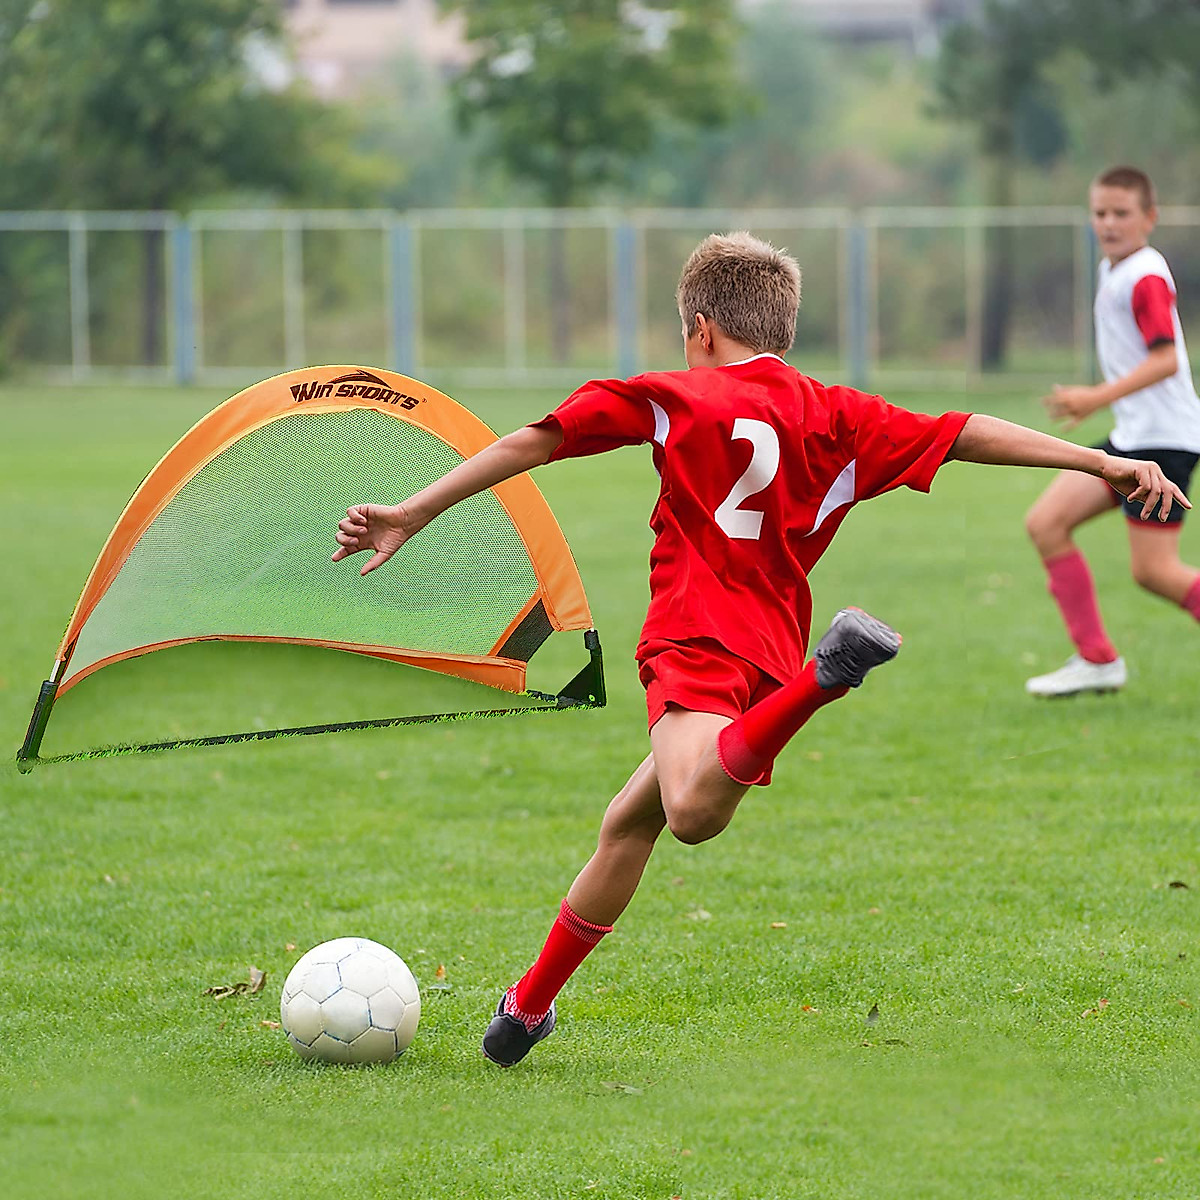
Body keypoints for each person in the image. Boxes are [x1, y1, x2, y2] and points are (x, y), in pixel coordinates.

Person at [331, 232, 1187, 1067]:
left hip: (697, 634)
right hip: (761, 652)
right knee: (629, 824)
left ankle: (828, 677)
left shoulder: (675, 394)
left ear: (700, 328)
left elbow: (537, 440)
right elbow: (965, 431)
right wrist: (1101, 464)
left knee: (693, 812)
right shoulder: (838, 412)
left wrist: (415, 509)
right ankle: (528, 1005)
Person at [1024, 166, 1200, 697]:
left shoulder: (1145, 274)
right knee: (1047, 522)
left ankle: (1098, 661)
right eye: (1100, 213)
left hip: (1162, 442)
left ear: (1150, 217)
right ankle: (1096, 659)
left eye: (1121, 213)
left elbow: (1166, 360)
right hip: (1135, 437)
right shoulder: (1115, 268)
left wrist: (1092, 397)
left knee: (1155, 571)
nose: (1108, 223)